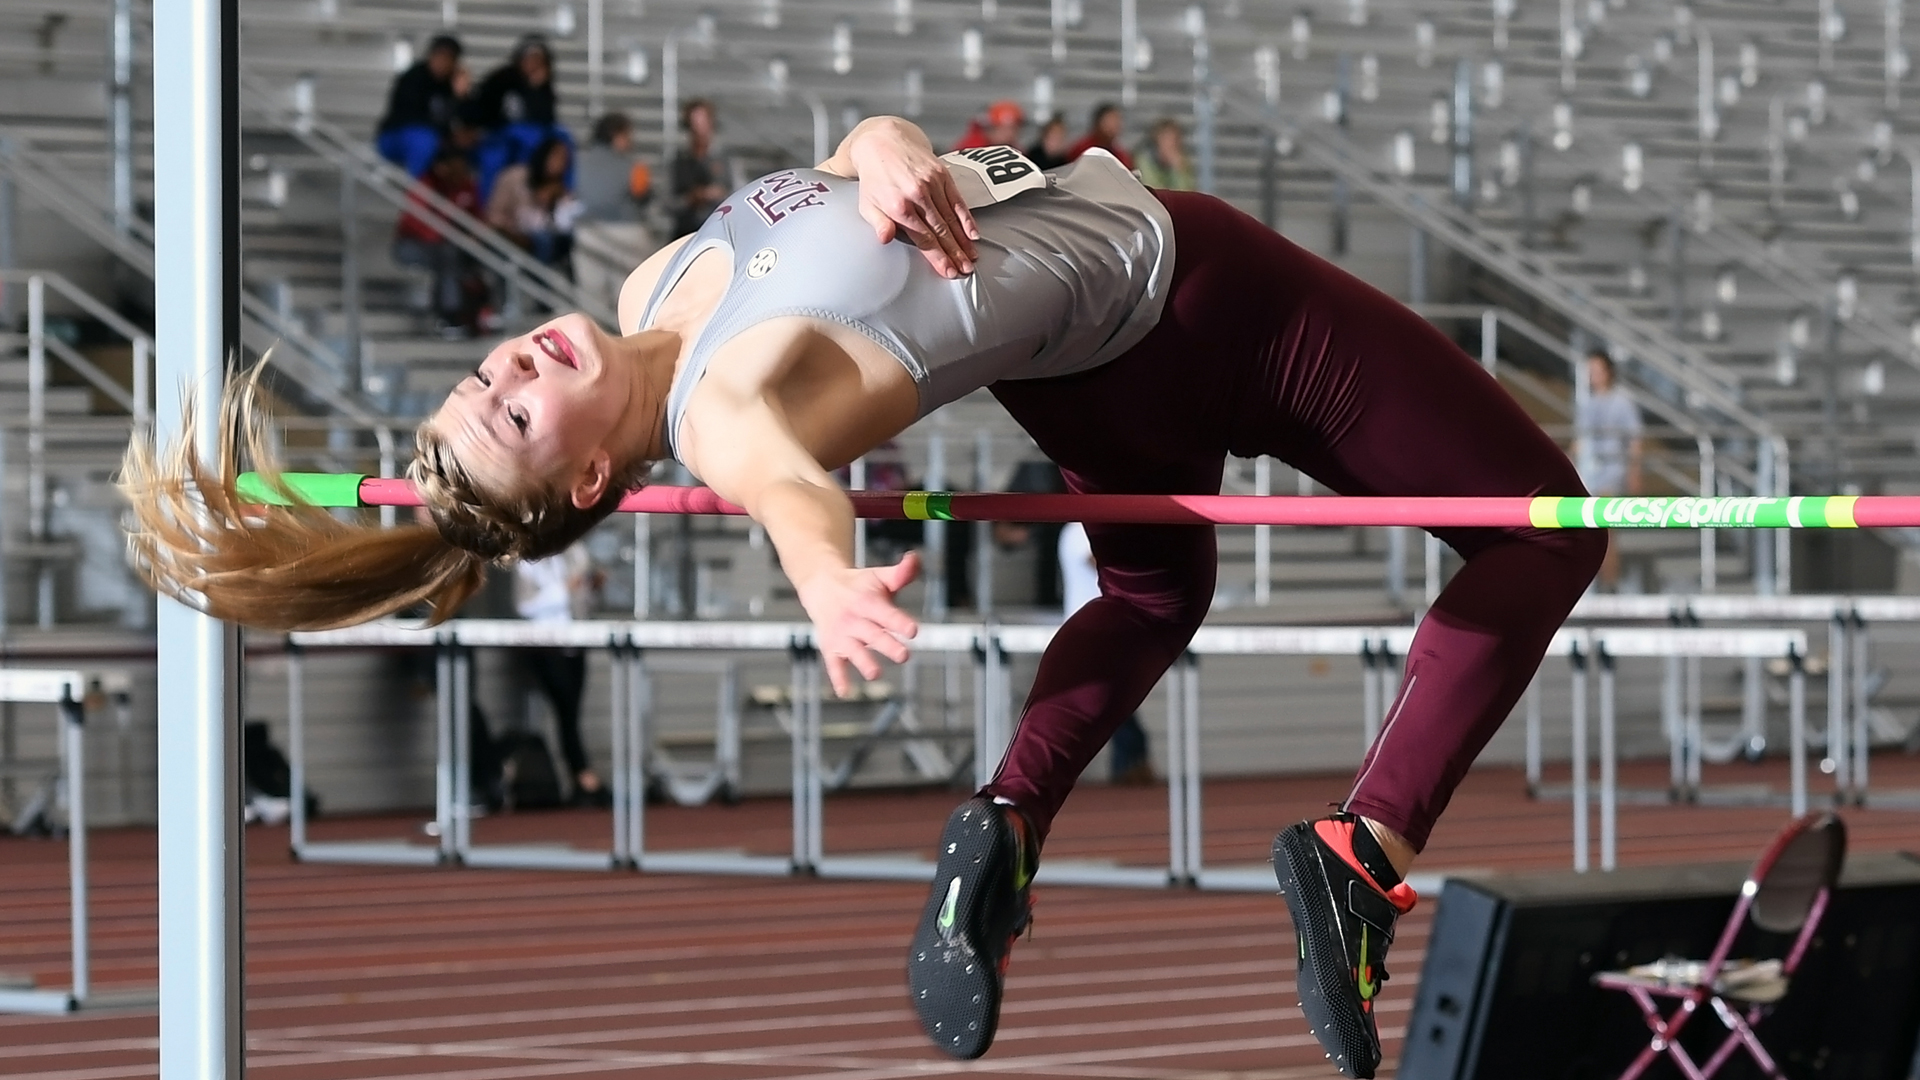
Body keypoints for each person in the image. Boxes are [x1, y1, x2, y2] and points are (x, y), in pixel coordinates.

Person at [123, 116, 1601, 1080]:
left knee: (1156, 593)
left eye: (483, 378)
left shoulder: (651, 294)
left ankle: (1006, 823)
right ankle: (1361, 849)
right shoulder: (721, 411)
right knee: (1548, 530)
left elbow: (831, 194)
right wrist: (826, 580)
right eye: (513, 417)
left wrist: (883, 143)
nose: (512, 368)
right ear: (589, 482)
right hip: (1207, 293)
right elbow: (781, 475)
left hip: (1093, 369)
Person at [1058, 521, 1153, 784]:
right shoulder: (1077, 530)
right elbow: (1102, 564)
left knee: (1113, 700)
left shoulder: (1094, 526)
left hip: (1105, 627)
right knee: (1108, 703)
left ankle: (1128, 763)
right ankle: (1130, 761)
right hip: (1088, 629)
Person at [513, 545, 609, 805]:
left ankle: (578, 779)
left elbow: (584, 603)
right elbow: (524, 606)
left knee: (571, 713)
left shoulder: (575, 553)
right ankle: (582, 774)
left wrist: (592, 587)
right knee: (566, 710)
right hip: (544, 646)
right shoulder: (527, 560)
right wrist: (563, 589)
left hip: (574, 643)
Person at [393, 149, 486, 335]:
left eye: (463, 168)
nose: (461, 172)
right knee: (448, 256)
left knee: (475, 258)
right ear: (441, 167)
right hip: (414, 245)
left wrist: (476, 236)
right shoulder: (424, 187)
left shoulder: (466, 186)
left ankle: (484, 312)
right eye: (456, 168)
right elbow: (417, 225)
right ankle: (449, 315)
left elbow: (477, 217)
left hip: (455, 246)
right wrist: (452, 236)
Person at [466, 35, 570, 200]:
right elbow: (482, 110)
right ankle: (489, 205)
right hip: (498, 135)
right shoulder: (501, 79)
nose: (532, 64)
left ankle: (561, 198)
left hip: (530, 138)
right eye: (529, 59)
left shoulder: (544, 87)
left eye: (538, 60)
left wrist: (535, 90)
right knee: (494, 158)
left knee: (562, 142)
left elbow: (546, 119)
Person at [573, 113, 657, 312]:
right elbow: (642, 194)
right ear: (616, 135)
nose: (631, 140)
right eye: (627, 135)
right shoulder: (635, 166)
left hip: (588, 233)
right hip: (627, 232)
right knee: (629, 298)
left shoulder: (579, 162)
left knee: (592, 300)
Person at [1574, 349, 1643, 591]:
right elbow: (1580, 440)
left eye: (1597, 370)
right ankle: (1597, 586)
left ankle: (1609, 586)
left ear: (1608, 372)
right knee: (1591, 532)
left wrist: (1634, 471)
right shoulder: (1587, 404)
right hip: (1590, 472)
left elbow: (1634, 439)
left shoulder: (1622, 402)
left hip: (1612, 471)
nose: (1593, 376)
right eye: (1590, 371)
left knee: (1605, 531)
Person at [485, 136, 580, 275]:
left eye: (564, 159)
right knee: (542, 240)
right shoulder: (514, 176)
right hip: (510, 234)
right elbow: (494, 215)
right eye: (556, 156)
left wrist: (555, 201)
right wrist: (513, 231)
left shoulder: (560, 189)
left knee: (565, 240)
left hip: (543, 239)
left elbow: (563, 223)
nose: (559, 163)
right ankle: (538, 280)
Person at [376, 34, 466, 178]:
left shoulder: (453, 84)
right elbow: (411, 116)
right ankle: (414, 189)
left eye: (448, 58)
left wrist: (461, 96)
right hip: (396, 136)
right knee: (423, 140)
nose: (442, 62)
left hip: (436, 138)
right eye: (439, 56)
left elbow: (468, 120)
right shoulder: (413, 77)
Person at [669, 98, 726, 239]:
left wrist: (718, 195)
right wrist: (690, 199)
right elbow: (667, 202)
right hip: (685, 233)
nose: (699, 131)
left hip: (717, 233)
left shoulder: (724, 160)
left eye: (703, 124)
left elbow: (738, 194)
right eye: (694, 125)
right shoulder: (678, 162)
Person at [1136, 117, 1197, 192]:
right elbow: (1153, 190)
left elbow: (1187, 192)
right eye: (1167, 139)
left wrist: (1178, 169)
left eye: (1175, 140)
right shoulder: (1145, 159)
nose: (1171, 144)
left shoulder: (1182, 161)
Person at [1067, 102, 1133, 169]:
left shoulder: (1121, 156)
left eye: (1117, 121)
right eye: (1110, 120)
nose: (1114, 126)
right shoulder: (1082, 150)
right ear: (1098, 122)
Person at [953, 99, 1025, 152]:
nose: (1009, 134)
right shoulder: (969, 150)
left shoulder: (1016, 150)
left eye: (1014, 129)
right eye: (1002, 130)